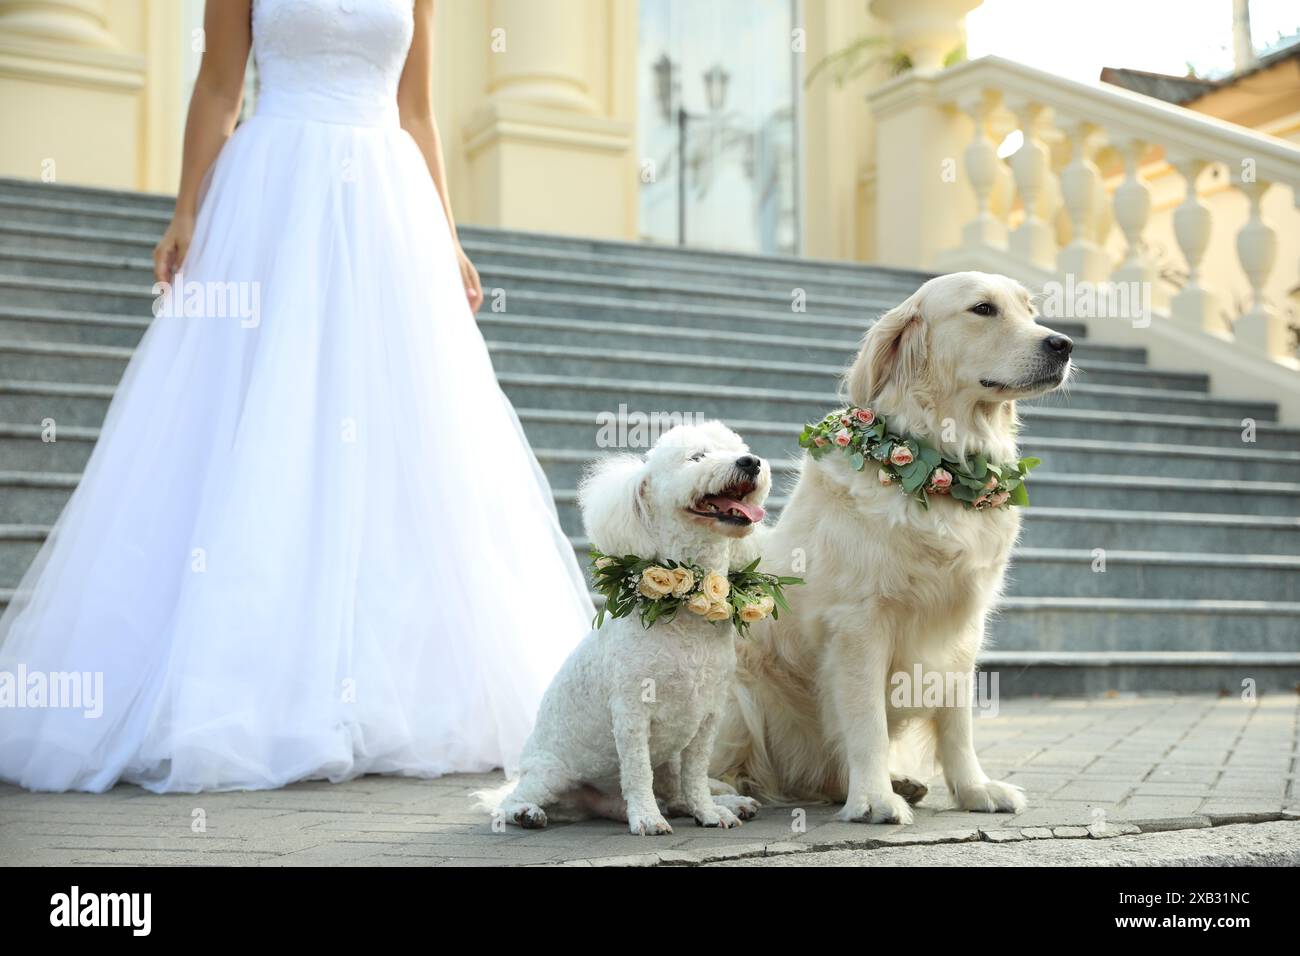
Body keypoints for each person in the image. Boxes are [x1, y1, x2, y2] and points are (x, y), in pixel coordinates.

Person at [0, 0, 593, 793]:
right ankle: (247, 678)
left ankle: (389, 686)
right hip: (272, 196)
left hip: (388, 205)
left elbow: (415, 107)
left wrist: (447, 237)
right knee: (259, 415)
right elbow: (217, 86)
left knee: (402, 436)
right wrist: (185, 211)